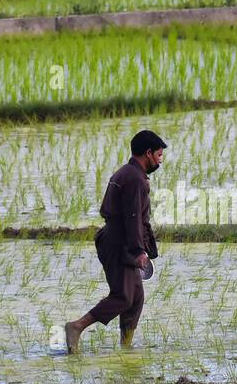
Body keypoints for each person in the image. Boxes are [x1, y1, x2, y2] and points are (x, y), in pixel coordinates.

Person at [64, 130, 166, 353]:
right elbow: (132, 217)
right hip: (119, 243)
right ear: (148, 153)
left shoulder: (128, 174)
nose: (160, 159)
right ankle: (77, 326)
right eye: (158, 154)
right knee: (123, 296)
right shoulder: (134, 179)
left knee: (136, 298)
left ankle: (126, 346)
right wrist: (139, 250)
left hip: (120, 240)